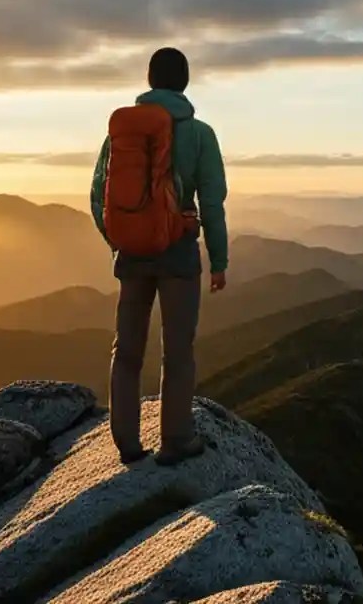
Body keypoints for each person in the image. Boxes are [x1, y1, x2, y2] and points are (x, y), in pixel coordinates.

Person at [90, 47, 228, 466]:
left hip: (131, 256)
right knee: (178, 349)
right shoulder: (200, 133)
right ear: (185, 82)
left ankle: (127, 445)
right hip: (179, 254)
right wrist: (219, 261)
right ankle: (176, 441)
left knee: (128, 349)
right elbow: (213, 202)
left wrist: (120, 239)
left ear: (150, 81)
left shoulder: (122, 133)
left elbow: (99, 196)